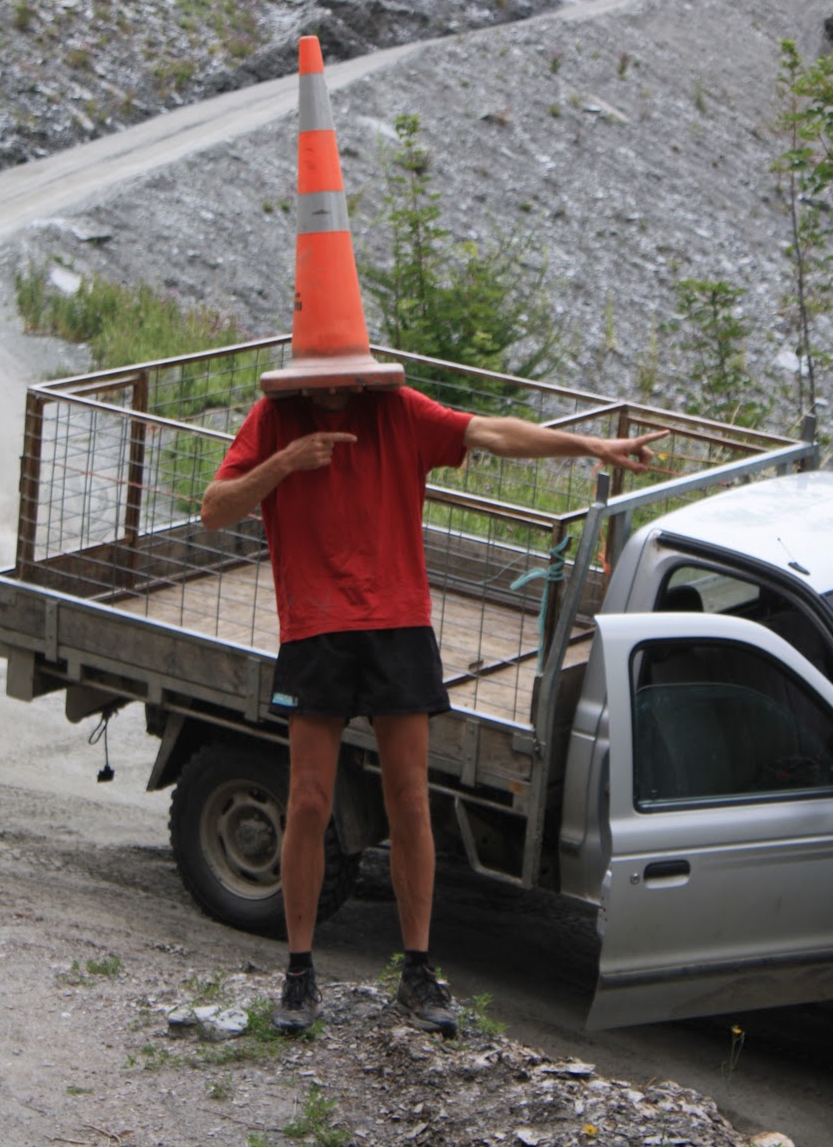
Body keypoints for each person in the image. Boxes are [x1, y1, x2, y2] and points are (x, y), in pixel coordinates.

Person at [200, 379, 666, 1036]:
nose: (333, 391)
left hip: (398, 627)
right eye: (322, 379)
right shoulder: (274, 418)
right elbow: (214, 509)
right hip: (315, 627)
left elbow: (491, 431)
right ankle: (299, 974)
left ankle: (416, 972)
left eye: (344, 377)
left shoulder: (396, 410)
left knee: (408, 800)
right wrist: (284, 463)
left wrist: (587, 442)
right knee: (307, 801)